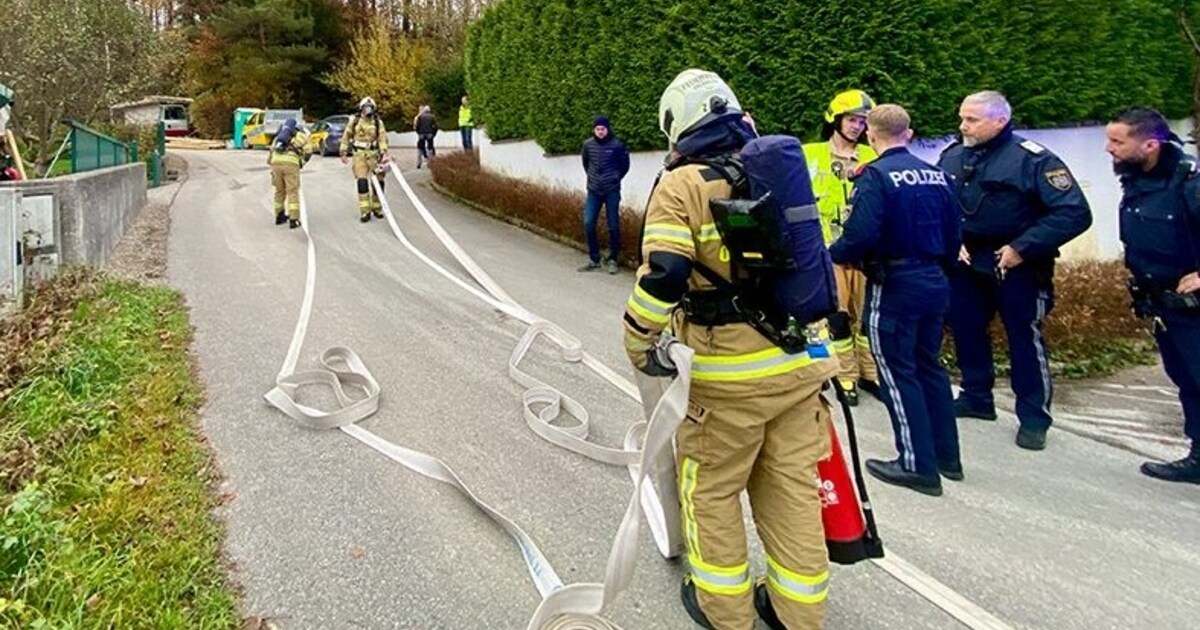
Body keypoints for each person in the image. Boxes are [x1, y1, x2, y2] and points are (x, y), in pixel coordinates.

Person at [622, 68, 835, 630]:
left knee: (711, 493)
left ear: (676, 124)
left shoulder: (683, 183)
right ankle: (798, 614)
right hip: (797, 368)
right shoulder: (776, 172)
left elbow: (665, 273)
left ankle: (725, 612)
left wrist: (637, 338)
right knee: (791, 491)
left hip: (726, 381)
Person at [937, 91, 1092, 451]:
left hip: (1015, 264)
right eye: (962, 118)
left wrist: (1023, 247)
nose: (963, 126)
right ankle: (977, 397)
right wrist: (949, 237)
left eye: (972, 120)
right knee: (966, 329)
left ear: (1000, 121)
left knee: (1024, 337)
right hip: (966, 261)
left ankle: (1034, 417)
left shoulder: (1034, 160)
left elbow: (1073, 213)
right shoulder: (953, 156)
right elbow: (942, 203)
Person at [829, 104, 962, 496]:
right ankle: (946, 457)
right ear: (909, 132)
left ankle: (916, 464)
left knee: (897, 371)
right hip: (935, 278)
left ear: (871, 135)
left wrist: (830, 254)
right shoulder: (938, 175)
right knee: (929, 366)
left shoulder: (876, 176)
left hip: (896, 281)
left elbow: (861, 234)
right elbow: (955, 234)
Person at [1107, 107, 1200, 484]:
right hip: (1163, 303)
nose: (1108, 149)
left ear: (1149, 144)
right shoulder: (1137, 177)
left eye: (1117, 141)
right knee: (1188, 381)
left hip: (1193, 307)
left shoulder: (1189, 183)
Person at [804, 90, 881, 407]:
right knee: (836, 315)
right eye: (851, 120)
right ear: (835, 119)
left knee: (866, 317)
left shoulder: (872, 157)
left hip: (865, 251)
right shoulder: (810, 154)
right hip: (827, 251)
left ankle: (870, 372)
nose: (857, 127)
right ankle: (844, 375)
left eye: (863, 122)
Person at [578, 115, 630, 274]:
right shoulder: (588, 145)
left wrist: (615, 178)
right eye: (598, 129)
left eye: (603, 129)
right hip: (594, 190)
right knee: (588, 222)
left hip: (611, 190)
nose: (600, 132)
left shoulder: (617, 145)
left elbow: (625, 166)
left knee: (613, 225)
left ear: (608, 129)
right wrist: (593, 178)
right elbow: (586, 164)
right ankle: (594, 259)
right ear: (594, 130)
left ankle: (613, 259)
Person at [339, 97, 390, 223]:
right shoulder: (355, 121)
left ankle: (377, 208)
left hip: (374, 155)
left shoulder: (378, 122)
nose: (368, 110)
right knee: (362, 183)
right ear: (361, 108)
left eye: (370, 107)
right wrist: (343, 152)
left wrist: (383, 152)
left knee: (379, 182)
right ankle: (365, 211)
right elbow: (346, 136)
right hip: (359, 155)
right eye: (366, 107)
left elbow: (382, 138)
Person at [268, 118, 312, 229]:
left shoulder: (278, 138)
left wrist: (273, 164)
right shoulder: (301, 136)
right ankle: (294, 220)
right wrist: (302, 162)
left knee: (279, 190)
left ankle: (279, 216)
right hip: (291, 164)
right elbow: (308, 151)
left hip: (275, 164)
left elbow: (270, 155)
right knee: (292, 191)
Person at [414, 105, 438, 169]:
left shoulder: (420, 117)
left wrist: (419, 133)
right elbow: (435, 126)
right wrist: (434, 134)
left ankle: (419, 162)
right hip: (430, 133)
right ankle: (430, 162)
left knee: (420, 147)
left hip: (421, 134)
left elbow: (417, 126)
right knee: (430, 147)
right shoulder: (432, 117)